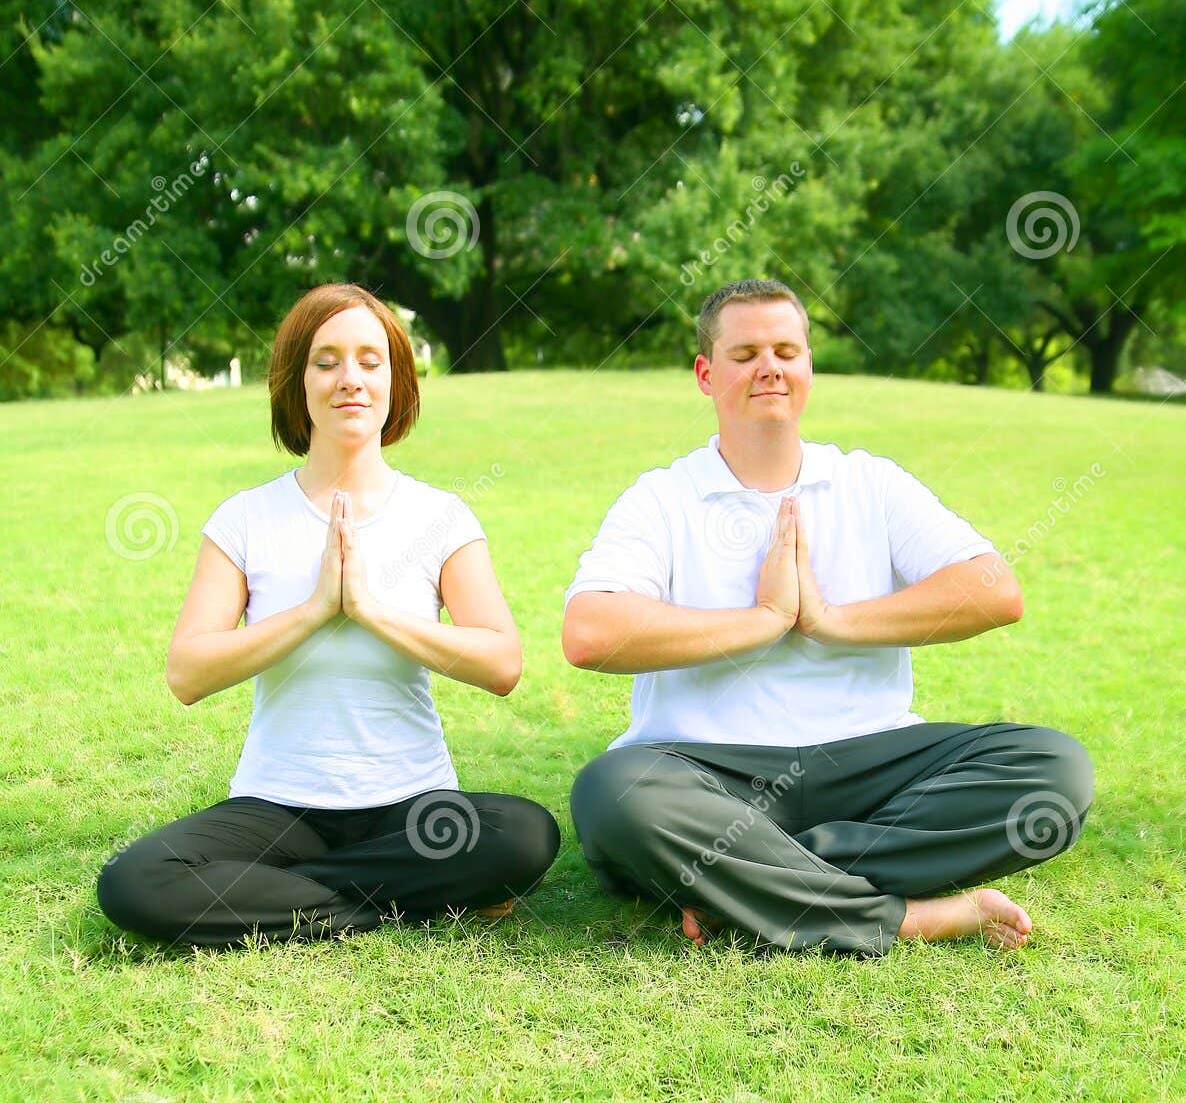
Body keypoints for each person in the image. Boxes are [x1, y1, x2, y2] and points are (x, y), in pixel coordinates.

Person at [563, 278, 1092, 957]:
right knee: (612, 794)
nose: (769, 368)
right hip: (708, 772)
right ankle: (908, 917)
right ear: (705, 374)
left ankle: (744, 883)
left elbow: (994, 591)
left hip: (871, 765)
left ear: (808, 365)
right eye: (745, 353)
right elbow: (590, 633)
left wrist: (829, 620)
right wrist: (763, 620)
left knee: (1055, 770)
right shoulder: (662, 497)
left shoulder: (869, 482)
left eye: (787, 351)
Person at [98, 283, 559, 949]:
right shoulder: (244, 518)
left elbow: (502, 663)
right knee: (134, 883)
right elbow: (187, 673)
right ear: (297, 381)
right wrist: (315, 610)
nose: (350, 379)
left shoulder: (441, 516)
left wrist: (368, 609)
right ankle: (409, 899)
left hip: (412, 807)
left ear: (397, 383)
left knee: (523, 836)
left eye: (371, 361)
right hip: (278, 807)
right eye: (326, 361)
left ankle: (277, 895)